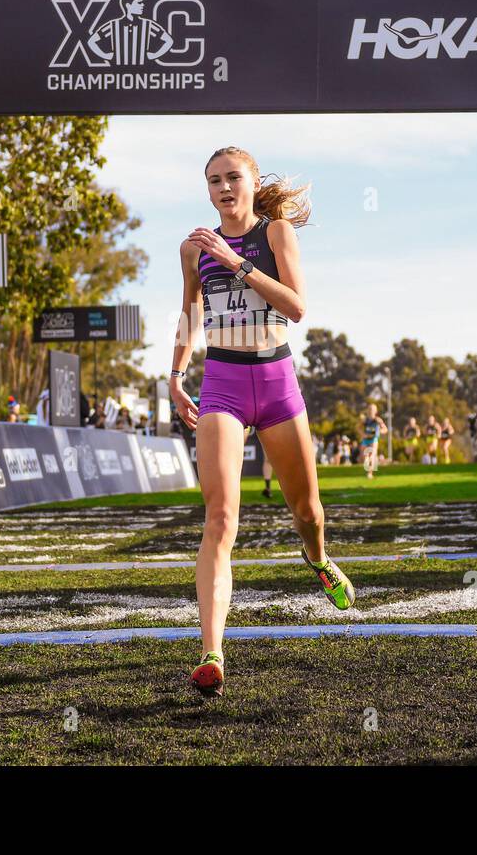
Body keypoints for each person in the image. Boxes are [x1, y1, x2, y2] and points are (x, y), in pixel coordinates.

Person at [171, 145, 355, 697]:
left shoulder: (274, 234)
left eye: (233, 178)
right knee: (221, 517)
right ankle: (212, 652)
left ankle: (318, 559)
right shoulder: (192, 247)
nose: (224, 188)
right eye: (214, 181)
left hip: (276, 383)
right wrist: (176, 374)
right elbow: (190, 311)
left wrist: (236, 263)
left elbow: (297, 308)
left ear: (252, 184)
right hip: (221, 384)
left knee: (309, 511)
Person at [360, 403, 386, 480]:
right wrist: (363, 434)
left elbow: (385, 429)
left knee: (371, 455)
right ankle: (369, 470)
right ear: (368, 410)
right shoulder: (365, 420)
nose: (371, 411)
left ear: (376, 411)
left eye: (373, 409)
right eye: (370, 409)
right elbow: (358, 428)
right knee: (365, 458)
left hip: (373, 439)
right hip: (365, 440)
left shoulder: (378, 420)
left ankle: (370, 473)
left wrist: (379, 431)